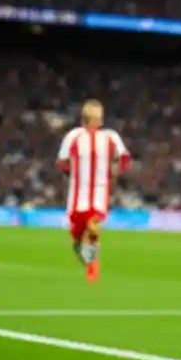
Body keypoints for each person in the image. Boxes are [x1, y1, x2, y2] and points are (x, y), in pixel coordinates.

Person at [56, 99, 130, 283]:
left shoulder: (104, 136)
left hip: (90, 194)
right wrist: (73, 174)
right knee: (79, 235)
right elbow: (61, 161)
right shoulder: (78, 136)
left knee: (92, 226)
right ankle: (85, 253)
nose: (99, 121)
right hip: (85, 195)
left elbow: (124, 157)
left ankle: (92, 270)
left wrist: (115, 171)